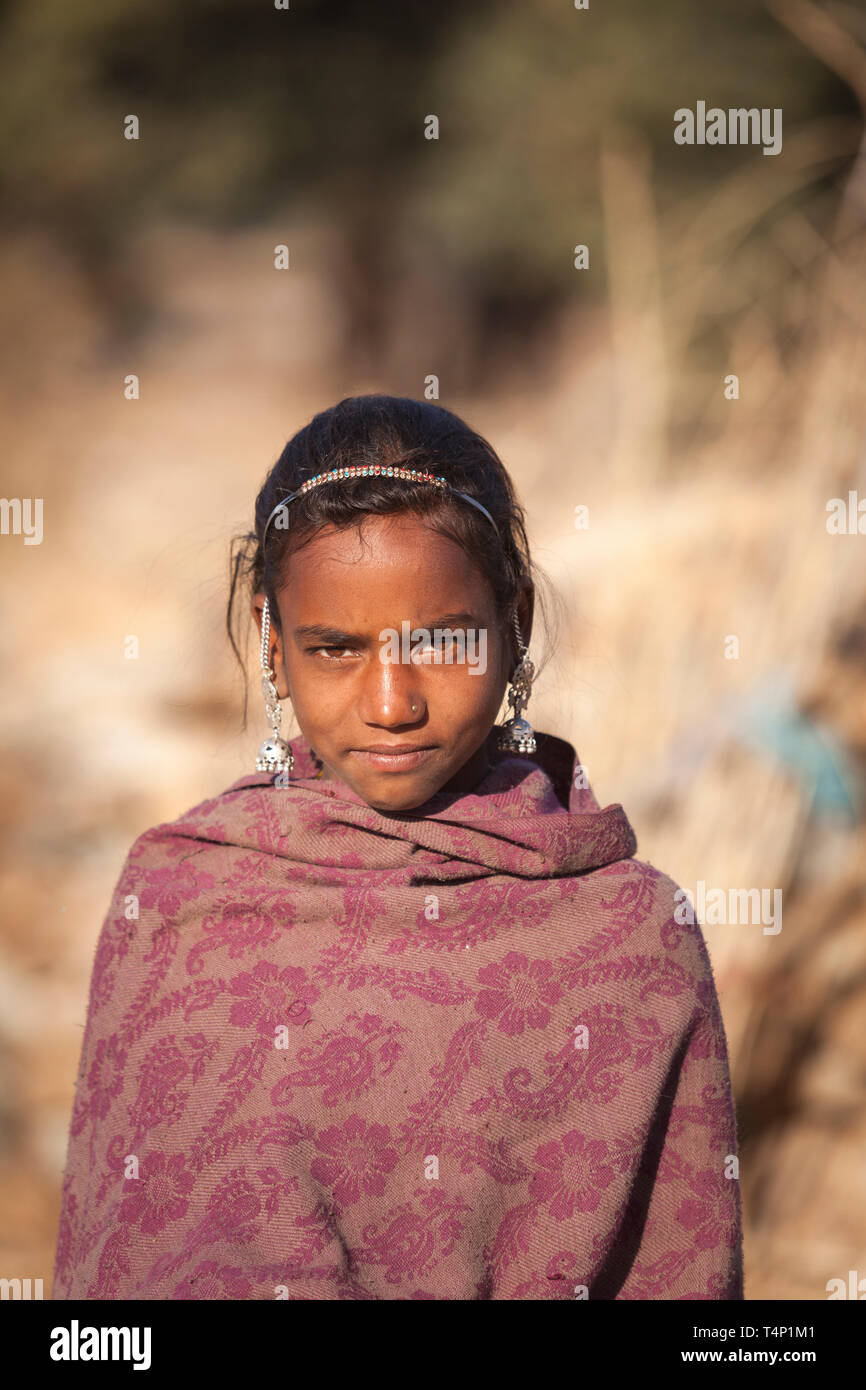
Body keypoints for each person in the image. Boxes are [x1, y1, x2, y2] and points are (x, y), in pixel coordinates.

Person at [52, 394, 743, 1299]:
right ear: (273, 643)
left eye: (442, 641)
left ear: (516, 625)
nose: (390, 703)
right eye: (335, 648)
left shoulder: (628, 934)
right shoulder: (182, 899)